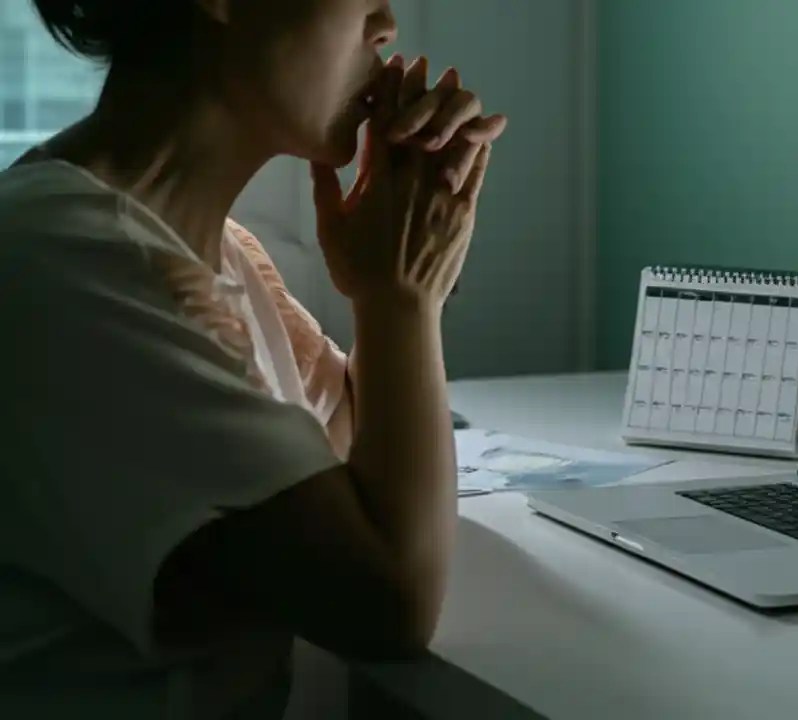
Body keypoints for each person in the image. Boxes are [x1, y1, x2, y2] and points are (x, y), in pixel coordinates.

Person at [0, 0, 507, 717]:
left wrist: (395, 273)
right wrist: (402, 300)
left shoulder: (215, 253)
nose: (388, 22)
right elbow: (386, 599)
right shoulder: (71, 263)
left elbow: (363, 453)